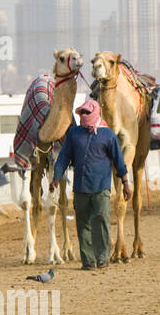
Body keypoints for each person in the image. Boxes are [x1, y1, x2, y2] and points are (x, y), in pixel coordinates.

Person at [50, 99, 131, 270]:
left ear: (95, 113)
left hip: (101, 187)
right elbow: (64, 157)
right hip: (80, 188)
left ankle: (102, 258)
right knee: (83, 224)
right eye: (81, 113)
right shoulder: (74, 134)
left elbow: (118, 160)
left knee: (101, 221)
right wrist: (56, 177)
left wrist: (125, 182)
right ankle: (88, 260)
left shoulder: (107, 134)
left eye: (87, 112)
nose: (83, 116)